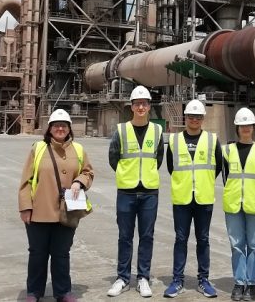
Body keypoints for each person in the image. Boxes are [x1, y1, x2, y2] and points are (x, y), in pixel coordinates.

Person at [18, 109, 94, 302]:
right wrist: (25, 207)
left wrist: (79, 182)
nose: (60, 128)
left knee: (61, 254)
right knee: (37, 254)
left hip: (67, 211)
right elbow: (26, 180)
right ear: (50, 129)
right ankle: (34, 292)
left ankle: (63, 291)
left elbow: (88, 172)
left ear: (69, 129)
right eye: (56, 125)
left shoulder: (78, 150)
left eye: (64, 125)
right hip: (39, 211)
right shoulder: (38, 148)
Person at [107, 85, 165, 298]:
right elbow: (113, 157)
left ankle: (143, 278)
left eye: (144, 103)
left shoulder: (157, 131)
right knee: (125, 236)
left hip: (149, 192)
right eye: (137, 103)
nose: (141, 107)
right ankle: (122, 278)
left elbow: (158, 158)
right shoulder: (121, 130)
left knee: (147, 236)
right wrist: (127, 174)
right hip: (127, 192)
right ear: (131, 107)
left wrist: (145, 175)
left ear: (149, 107)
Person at [164, 99, 223, 298]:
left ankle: (203, 280)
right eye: (191, 116)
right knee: (180, 239)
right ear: (185, 118)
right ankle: (177, 280)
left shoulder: (212, 140)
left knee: (203, 240)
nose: (194, 120)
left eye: (198, 117)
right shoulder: (174, 140)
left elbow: (217, 167)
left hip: (204, 198)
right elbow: (171, 168)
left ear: (203, 119)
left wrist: (201, 182)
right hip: (182, 198)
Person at [221, 107, 255, 301]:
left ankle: (251, 284)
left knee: (254, 246)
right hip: (233, 204)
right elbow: (225, 177)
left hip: (254, 204)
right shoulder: (227, 150)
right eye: (242, 125)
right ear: (237, 128)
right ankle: (239, 283)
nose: (246, 128)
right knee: (236, 245)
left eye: (249, 125)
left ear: (253, 127)